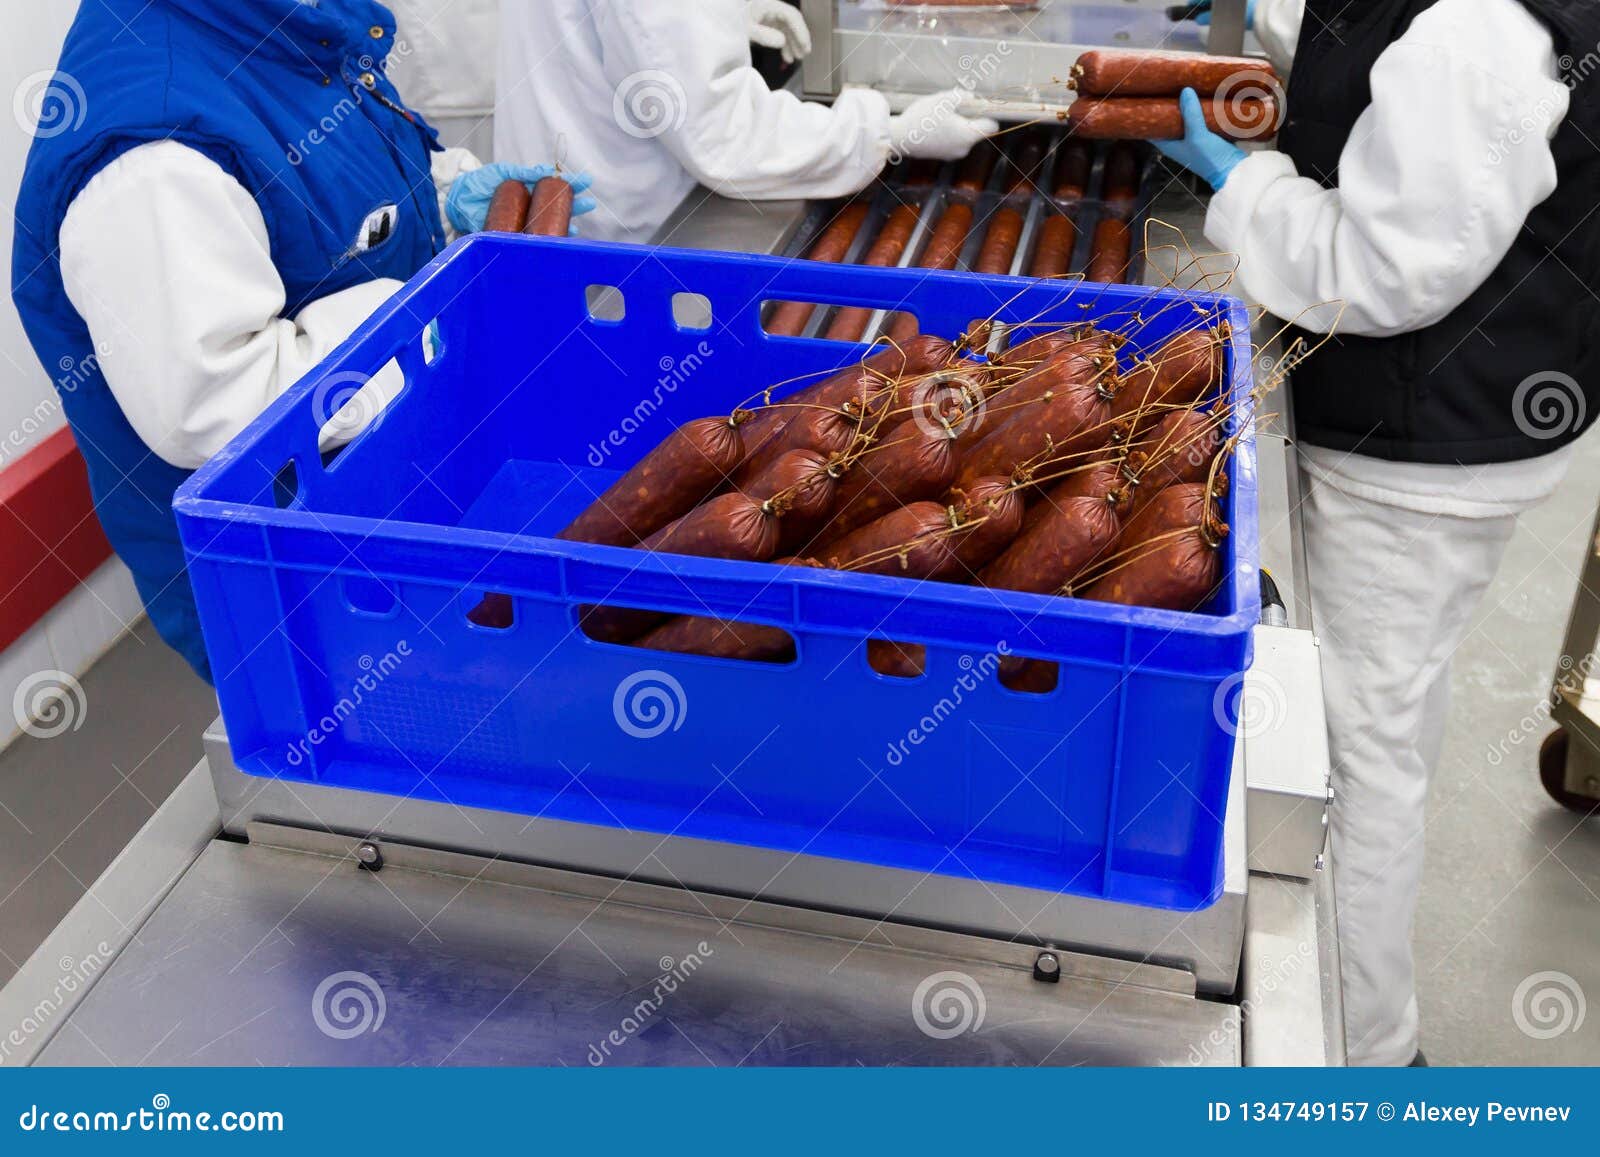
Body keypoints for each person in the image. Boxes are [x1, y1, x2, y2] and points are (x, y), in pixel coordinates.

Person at [1155, 0, 1599, 1064]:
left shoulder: (1475, 31)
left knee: (1355, 755)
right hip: (1452, 409)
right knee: (1370, 727)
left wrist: (1242, 182)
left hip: (1423, 439)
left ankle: (1367, 1052)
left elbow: (1379, 273)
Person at [10, 0, 594, 683]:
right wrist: (430, 317)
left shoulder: (279, 24)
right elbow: (221, 402)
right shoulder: (150, 156)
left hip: (402, 498)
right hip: (300, 603)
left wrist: (442, 203)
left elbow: (329, 211)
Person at [495, 0, 1000, 244]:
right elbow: (722, 135)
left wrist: (726, 16)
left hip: (577, 179)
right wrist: (887, 130)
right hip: (626, 234)